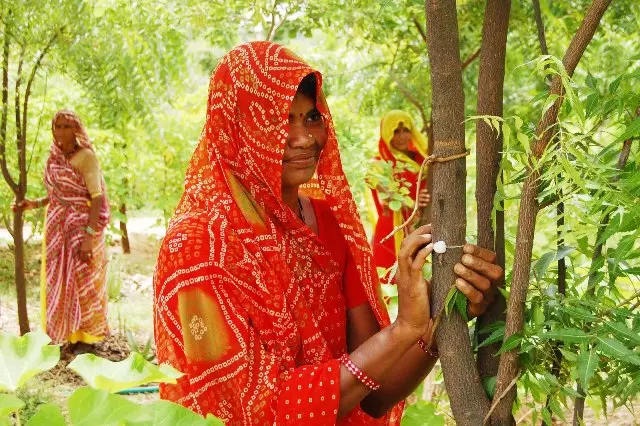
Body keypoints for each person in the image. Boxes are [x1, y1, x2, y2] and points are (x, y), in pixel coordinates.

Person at [153, 42, 502, 425]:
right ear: (237, 129)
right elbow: (250, 412)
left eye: (311, 118)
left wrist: (442, 318)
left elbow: (373, 397)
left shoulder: (327, 224)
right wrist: (404, 330)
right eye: (280, 120)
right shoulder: (199, 247)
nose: (303, 138)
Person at [12, 110, 110, 345]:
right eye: (57, 126)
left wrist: (88, 237)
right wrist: (33, 204)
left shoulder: (86, 157)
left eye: (67, 126)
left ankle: (87, 340)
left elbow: (96, 198)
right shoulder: (54, 158)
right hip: (56, 227)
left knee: (83, 281)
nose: (61, 131)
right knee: (61, 282)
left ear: (76, 130)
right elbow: (57, 194)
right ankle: (69, 337)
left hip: (81, 227)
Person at [370, 110, 431, 273]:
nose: (402, 136)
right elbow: (389, 195)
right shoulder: (378, 165)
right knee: (389, 282)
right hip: (390, 231)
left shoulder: (424, 159)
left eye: (406, 130)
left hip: (423, 228)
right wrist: (414, 202)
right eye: (396, 131)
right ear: (386, 133)